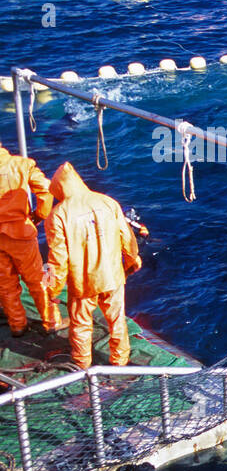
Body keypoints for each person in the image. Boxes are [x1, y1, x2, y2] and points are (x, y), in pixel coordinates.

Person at [42, 162, 141, 368]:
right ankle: (120, 362)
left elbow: (57, 260)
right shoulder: (108, 202)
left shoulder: (58, 215)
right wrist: (132, 260)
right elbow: (127, 237)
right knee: (117, 320)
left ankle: (82, 365)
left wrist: (53, 289)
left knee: (80, 324)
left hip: (83, 283)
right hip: (113, 276)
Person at [0, 145, 64, 337]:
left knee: (5, 283)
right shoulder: (21, 164)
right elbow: (46, 190)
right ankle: (51, 321)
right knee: (39, 279)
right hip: (20, 233)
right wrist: (39, 215)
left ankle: (17, 324)